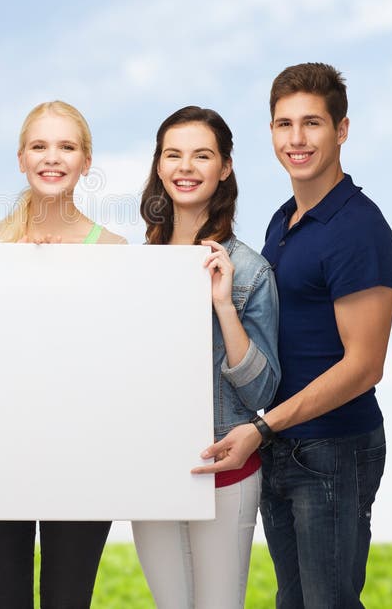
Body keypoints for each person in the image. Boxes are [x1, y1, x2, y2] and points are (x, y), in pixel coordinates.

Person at [195, 64, 392, 608]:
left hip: (334, 449)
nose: (297, 139)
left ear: (342, 129)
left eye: (312, 123)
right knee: (293, 601)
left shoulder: (358, 229)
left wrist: (262, 427)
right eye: (284, 124)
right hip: (283, 446)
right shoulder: (284, 220)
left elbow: (365, 366)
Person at [0, 100, 126, 609]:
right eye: (39, 146)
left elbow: (116, 366)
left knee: (68, 600)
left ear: (86, 161)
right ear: (20, 158)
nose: (51, 158)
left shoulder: (116, 251)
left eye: (66, 146)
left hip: (81, 457)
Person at [130, 106, 280, 609]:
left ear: (225, 167)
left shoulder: (249, 270)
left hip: (225, 471)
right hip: (152, 468)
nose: (185, 167)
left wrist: (223, 305)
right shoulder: (139, 266)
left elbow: (262, 393)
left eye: (202, 155)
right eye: (173, 155)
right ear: (158, 166)